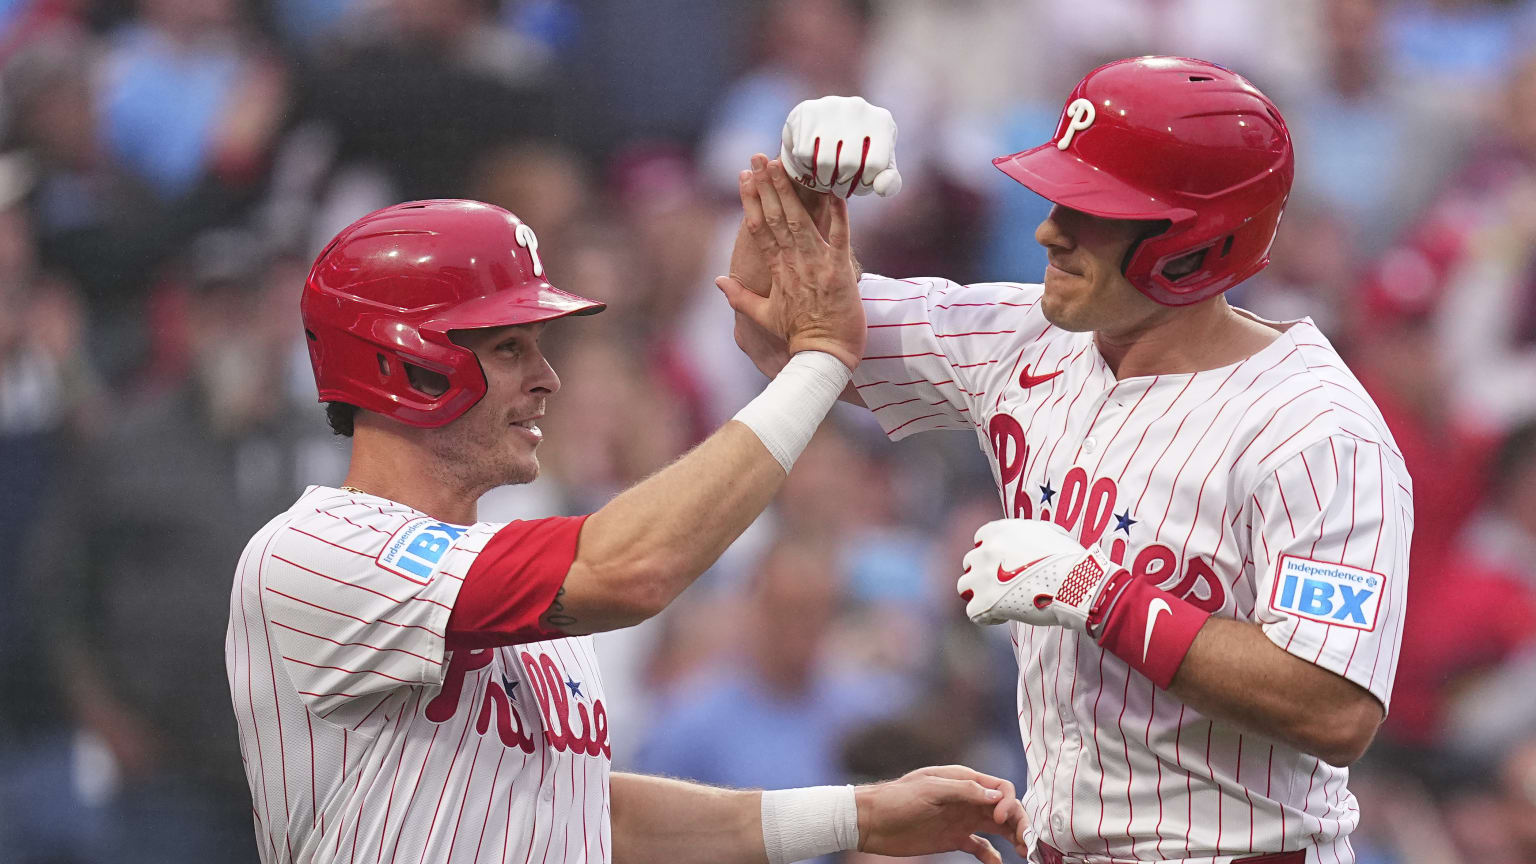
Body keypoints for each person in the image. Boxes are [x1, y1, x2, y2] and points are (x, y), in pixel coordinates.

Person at [722, 59, 1412, 863]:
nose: (1050, 230)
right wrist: (802, 183)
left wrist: (1100, 595)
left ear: (1193, 242)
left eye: (1094, 212)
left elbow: (1335, 708)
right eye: (1060, 198)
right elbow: (776, 325)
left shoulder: (1317, 431)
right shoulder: (1026, 341)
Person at [227, 198, 1025, 864]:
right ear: (402, 361)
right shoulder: (314, 553)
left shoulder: (533, 607)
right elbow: (633, 569)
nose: (548, 378)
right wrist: (817, 364)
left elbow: (590, 819)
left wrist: (857, 816)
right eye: (510, 348)